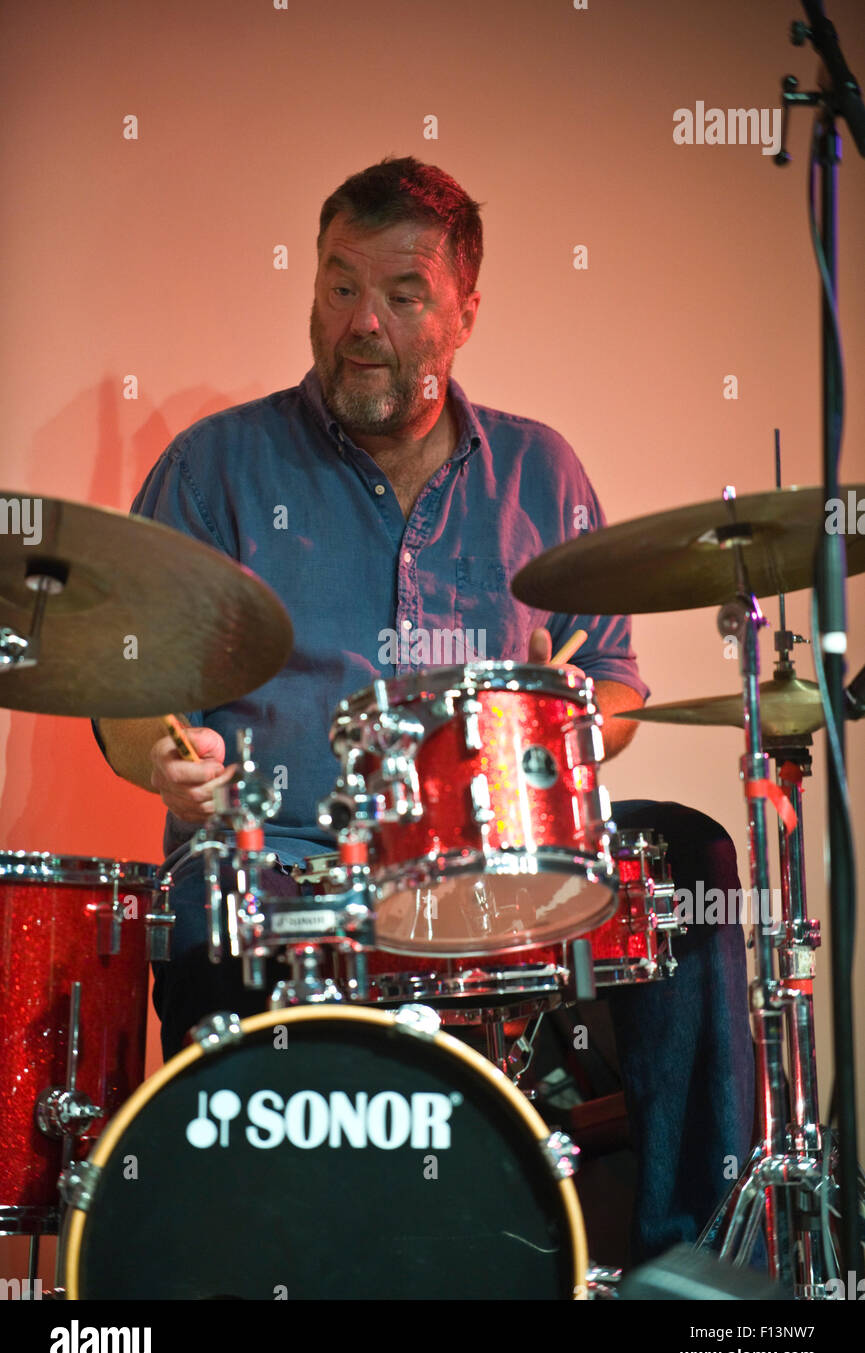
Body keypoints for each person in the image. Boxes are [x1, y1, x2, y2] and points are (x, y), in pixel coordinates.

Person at [94, 156, 754, 1264]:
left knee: (689, 857)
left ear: (463, 314)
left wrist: (556, 728)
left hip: (490, 890)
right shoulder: (213, 468)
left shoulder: (541, 472)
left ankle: (683, 1264)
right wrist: (164, 757)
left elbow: (617, 682)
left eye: (402, 295)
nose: (362, 322)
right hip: (282, 879)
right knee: (206, 917)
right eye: (339, 284)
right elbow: (125, 701)